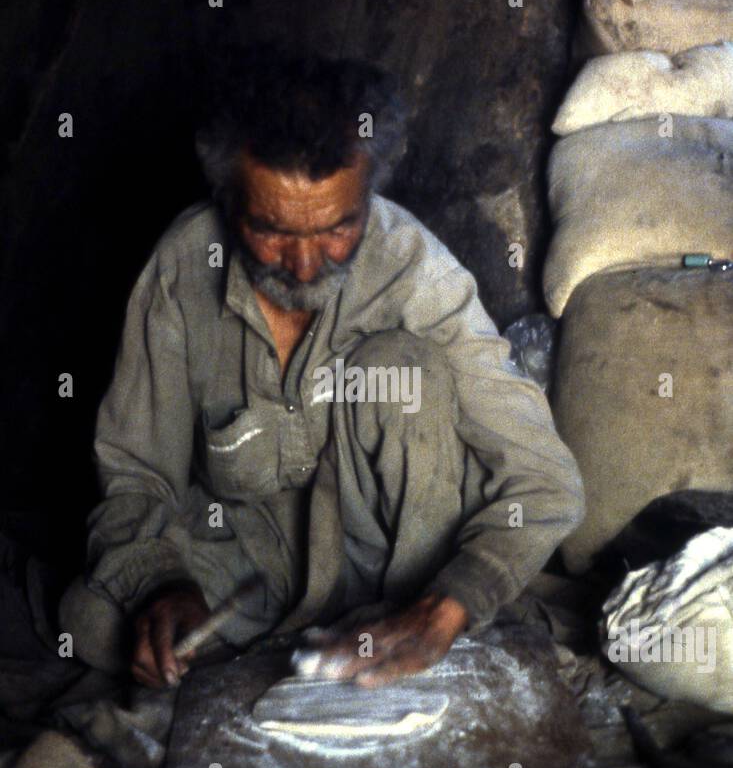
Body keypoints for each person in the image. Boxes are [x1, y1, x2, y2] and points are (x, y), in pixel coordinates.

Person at [58, 42, 585, 690]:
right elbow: (137, 475)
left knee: (406, 370)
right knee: (92, 619)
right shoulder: (182, 270)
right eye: (271, 231)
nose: (305, 266)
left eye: (337, 228)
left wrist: (452, 602)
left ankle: (393, 634)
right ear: (228, 201)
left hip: (391, 559)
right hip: (244, 554)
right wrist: (166, 586)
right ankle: (301, 656)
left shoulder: (413, 267)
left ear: (369, 191)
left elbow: (545, 479)